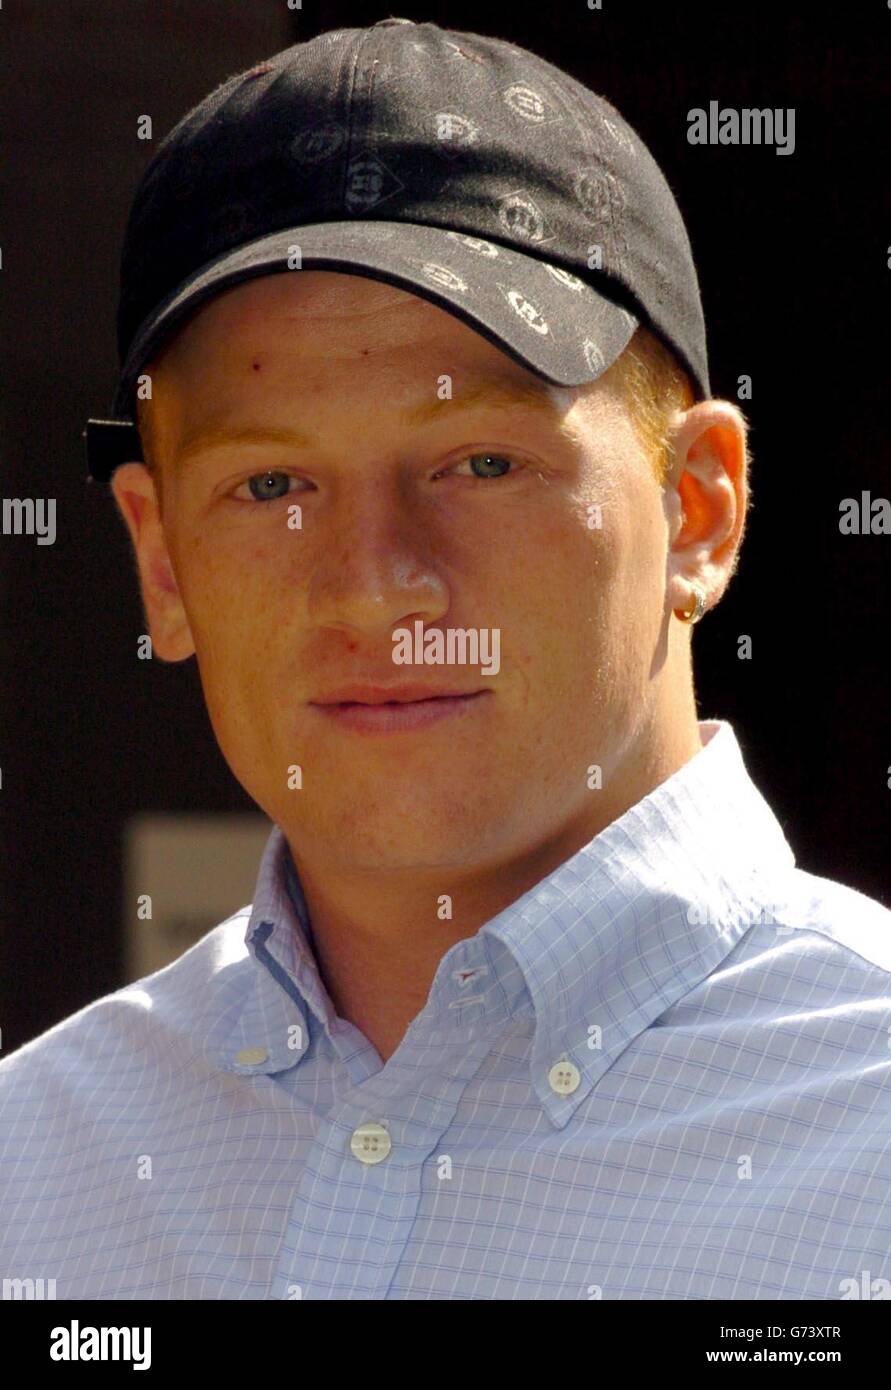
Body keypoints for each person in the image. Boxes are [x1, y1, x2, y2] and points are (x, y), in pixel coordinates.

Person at [2, 18, 890, 1302]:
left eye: (482, 462)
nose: (373, 581)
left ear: (699, 509)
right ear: (162, 564)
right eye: (270, 483)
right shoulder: (35, 1170)